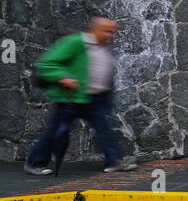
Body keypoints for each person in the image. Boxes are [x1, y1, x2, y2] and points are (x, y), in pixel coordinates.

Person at [24, 16, 137, 175]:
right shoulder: (75, 42)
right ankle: (35, 163)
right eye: (107, 31)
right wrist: (63, 76)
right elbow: (47, 63)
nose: (111, 35)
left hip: (94, 98)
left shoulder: (102, 46)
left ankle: (113, 162)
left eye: (113, 32)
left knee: (104, 130)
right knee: (54, 131)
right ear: (94, 30)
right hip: (70, 98)